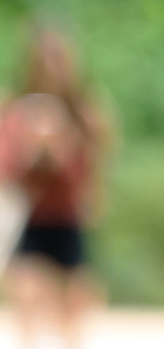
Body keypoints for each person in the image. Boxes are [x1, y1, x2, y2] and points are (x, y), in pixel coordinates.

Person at [0, 25, 111, 349]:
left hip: (68, 212)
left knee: (75, 302)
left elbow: (90, 164)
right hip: (33, 213)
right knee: (29, 293)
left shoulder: (85, 111)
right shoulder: (17, 108)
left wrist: (62, 148)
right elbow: (9, 167)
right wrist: (32, 149)